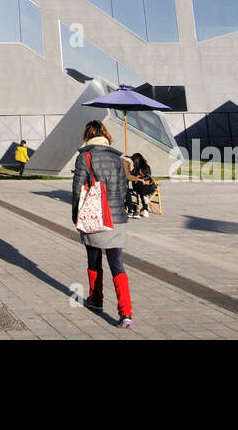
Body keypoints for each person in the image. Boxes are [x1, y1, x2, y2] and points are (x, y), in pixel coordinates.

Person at [72, 120, 132, 328]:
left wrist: (75, 216)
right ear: (105, 135)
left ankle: (96, 300)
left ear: (87, 135)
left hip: (93, 217)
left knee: (94, 259)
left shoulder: (84, 157)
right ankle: (126, 313)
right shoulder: (116, 157)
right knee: (117, 263)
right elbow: (124, 189)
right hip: (116, 218)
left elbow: (77, 191)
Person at [123, 152, 156, 217]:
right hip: (138, 188)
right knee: (138, 185)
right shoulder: (133, 168)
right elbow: (129, 177)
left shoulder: (145, 167)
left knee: (140, 185)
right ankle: (143, 207)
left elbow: (148, 177)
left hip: (147, 187)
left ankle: (143, 207)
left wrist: (139, 179)